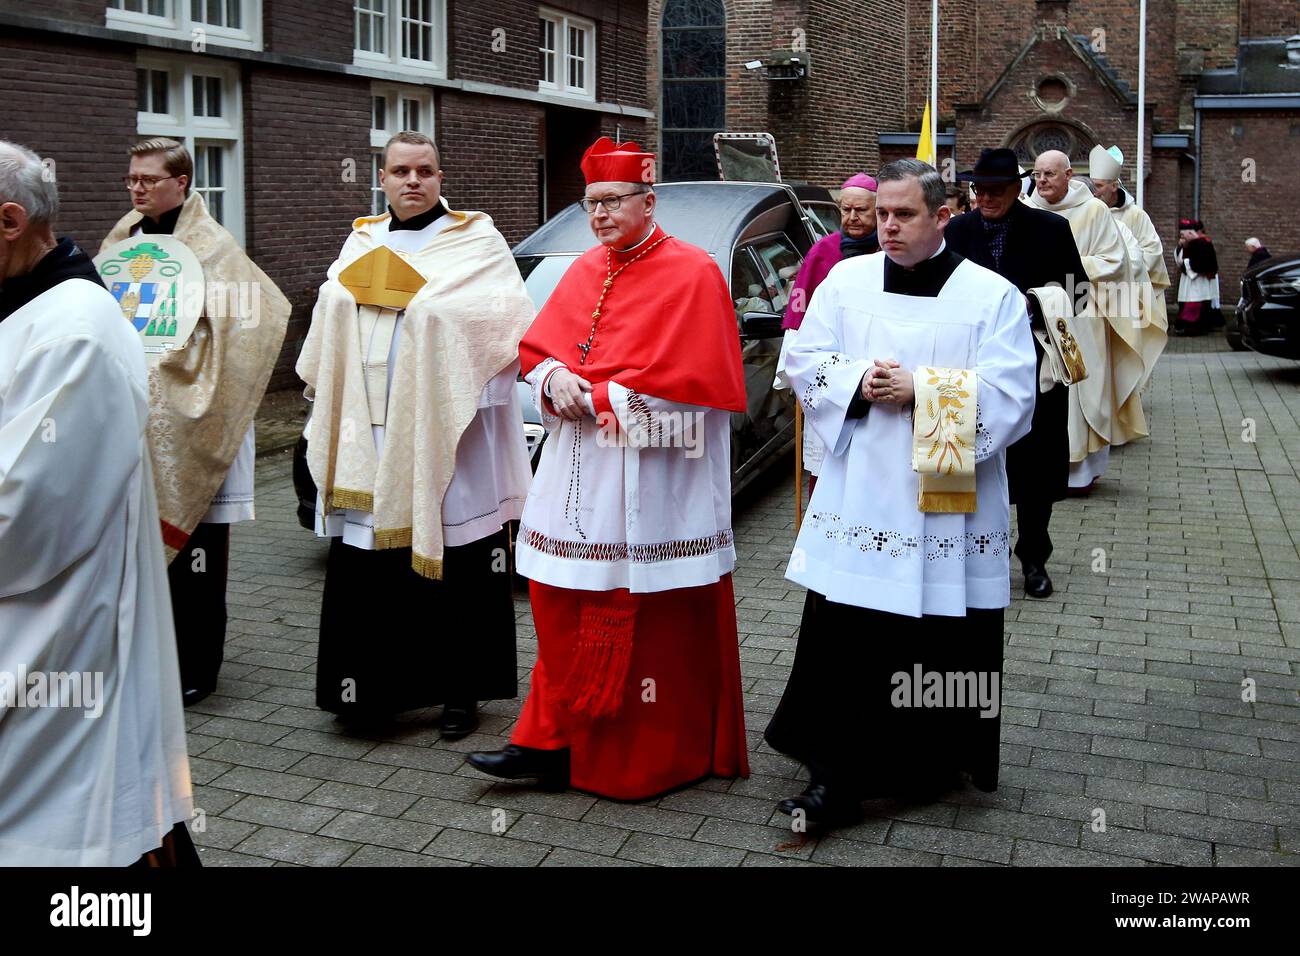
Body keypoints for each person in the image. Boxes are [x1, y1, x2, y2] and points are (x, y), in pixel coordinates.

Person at [468, 137, 750, 799]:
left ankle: (641, 755)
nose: (598, 214)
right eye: (590, 202)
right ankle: (549, 741)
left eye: (611, 201)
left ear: (648, 201)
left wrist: (597, 396)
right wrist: (554, 378)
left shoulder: (694, 271)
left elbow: (698, 386)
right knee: (562, 602)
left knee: (643, 617)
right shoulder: (584, 267)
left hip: (656, 480)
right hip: (576, 473)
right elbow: (538, 350)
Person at [764, 159, 1037, 826]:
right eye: (881, 212)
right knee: (851, 635)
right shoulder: (846, 282)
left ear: (943, 216)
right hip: (862, 491)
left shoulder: (990, 295)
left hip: (944, 495)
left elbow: (1013, 398)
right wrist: (859, 380)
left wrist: (923, 390)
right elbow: (803, 358)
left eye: (904, 213)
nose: (886, 225)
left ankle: (931, 758)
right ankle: (837, 769)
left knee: (935, 634)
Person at [298, 132, 534, 735]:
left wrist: (423, 307)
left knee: (458, 560)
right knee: (371, 565)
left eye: (424, 171)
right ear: (381, 178)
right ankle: (372, 692)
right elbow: (330, 305)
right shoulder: (362, 239)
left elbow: (502, 318)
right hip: (371, 433)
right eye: (400, 171)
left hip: (446, 430)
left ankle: (461, 693)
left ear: (439, 176)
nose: (412, 181)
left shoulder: (475, 240)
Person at [0, 141, 194, 864]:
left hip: (53, 632)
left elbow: (22, 517)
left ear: (11, 220)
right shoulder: (24, 304)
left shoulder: (73, 330)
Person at [100, 138, 290, 706]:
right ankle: (141, 655)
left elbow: (253, 322)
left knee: (199, 551)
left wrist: (181, 360)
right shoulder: (122, 240)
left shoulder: (212, 247)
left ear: (182, 183)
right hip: (135, 414)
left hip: (195, 414)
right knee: (133, 544)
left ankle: (197, 665)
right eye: (132, 178)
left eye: (149, 180)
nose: (138, 189)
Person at [945, 147, 1088, 599]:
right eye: (978, 189)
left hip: (1033, 365)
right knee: (966, 458)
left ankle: (1033, 558)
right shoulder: (955, 232)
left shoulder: (1051, 228)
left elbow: (1079, 292)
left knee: (1036, 464)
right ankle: (966, 554)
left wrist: (1037, 302)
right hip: (966, 367)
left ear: (1017, 188)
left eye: (996, 190)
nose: (985, 197)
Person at [1027, 150, 1154, 491]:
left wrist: (1067, 264)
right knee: (1043, 389)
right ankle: (1041, 466)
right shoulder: (1027, 209)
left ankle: (1080, 473)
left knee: (1081, 393)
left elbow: (1114, 260)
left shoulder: (1094, 210)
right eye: (1037, 174)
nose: (1041, 181)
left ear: (1068, 175)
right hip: (1038, 315)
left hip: (1082, 311)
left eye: (1049, 174)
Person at [779, 172, 879, 493]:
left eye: (861, 211)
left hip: (878, 372)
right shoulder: (823, 251)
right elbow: (799, 317)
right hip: (832, 376)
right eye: (846, 210)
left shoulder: (890, 250)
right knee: (828, 474)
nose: (851, 217)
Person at [1090, 144, 1171, 370]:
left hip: (1128, 295)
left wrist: (1120, 271)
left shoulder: (1134, 215)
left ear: (1114, 185)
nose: (1094, 192)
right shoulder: (1088, 212)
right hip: (1094, 295)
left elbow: (1152, 252)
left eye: (1098, 186)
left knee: (1124, 352)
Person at [1174, 218, 1222, 336]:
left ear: (1190, 233)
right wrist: (1181, 247)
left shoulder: (1203, 243)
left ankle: (1194, 328)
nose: (1182, 238)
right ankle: (1187, 326)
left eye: (1183, 235)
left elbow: (1202, 263)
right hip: (1189, 279)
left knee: (1195, 302)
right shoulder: (1189, 244)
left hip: (1198, 280)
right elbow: (1179, 260)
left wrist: (1187, 266)